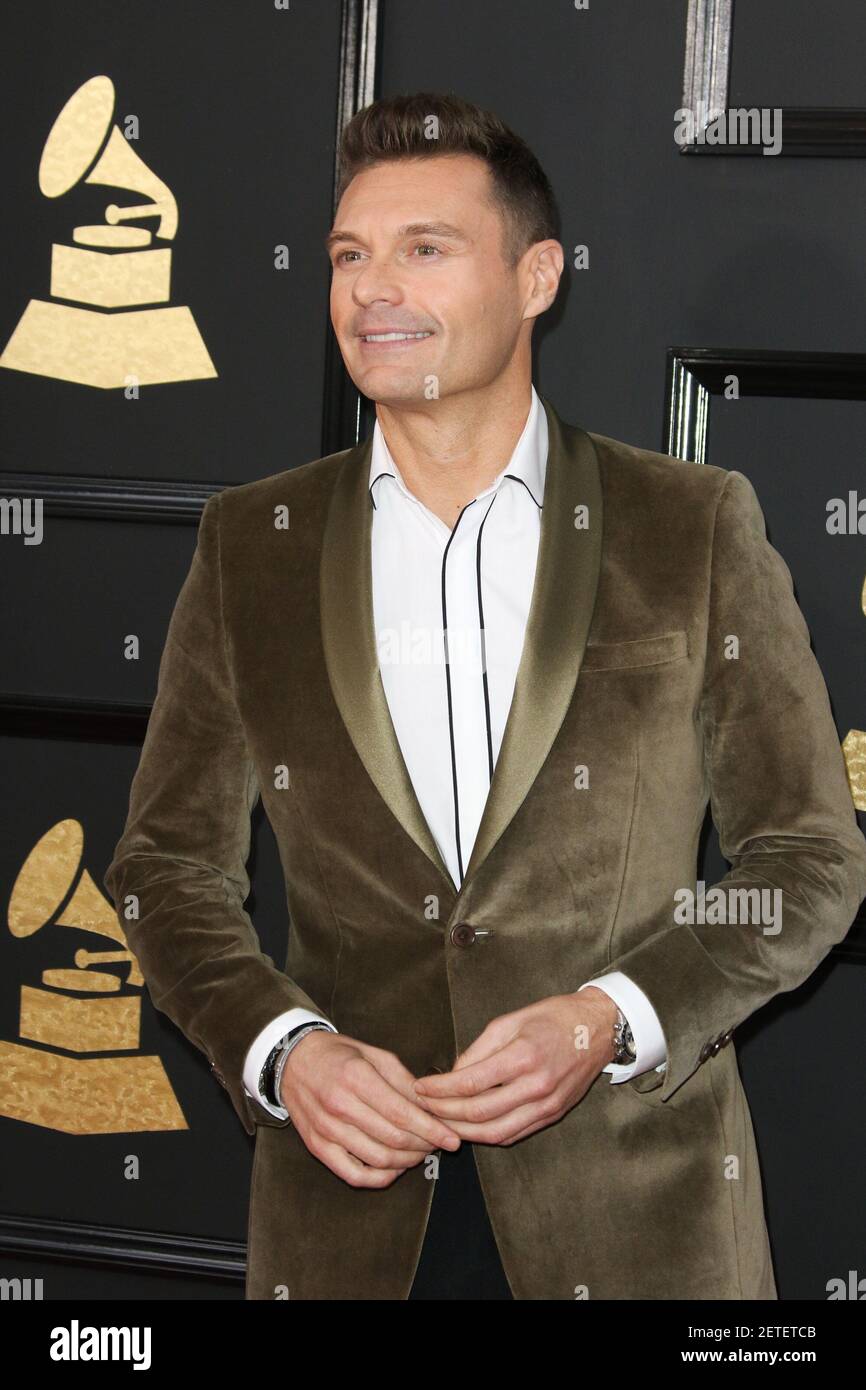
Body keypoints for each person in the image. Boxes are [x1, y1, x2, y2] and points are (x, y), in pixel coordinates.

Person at [104, 91, 866, 1300]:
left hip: (636, 1220)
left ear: (537, 277)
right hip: (344, 1215)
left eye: (423, 249)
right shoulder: (254, 544)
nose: (369, 289)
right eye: (349, 255)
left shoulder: (686, 526)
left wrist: (610, 1018)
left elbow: (808, 858)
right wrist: (282, 1049)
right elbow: (163, 868)